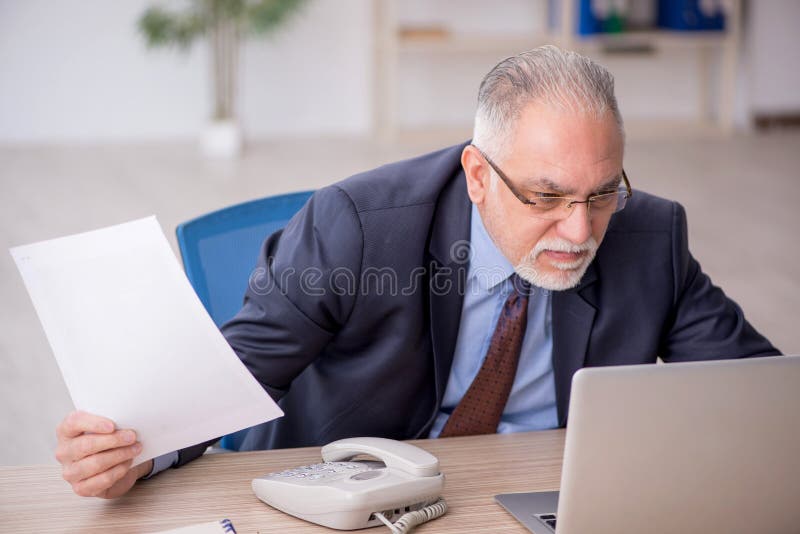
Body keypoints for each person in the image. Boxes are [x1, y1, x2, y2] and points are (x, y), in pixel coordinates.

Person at [55, 45, 779, 498]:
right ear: (477, 175)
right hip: (357, 503)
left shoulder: (649, 234)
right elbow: (232, 380)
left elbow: (760, 401)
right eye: (546, 197)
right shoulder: (357, 227)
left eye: (601, 193)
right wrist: (133, 455)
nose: (581, 229)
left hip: (540, 500)